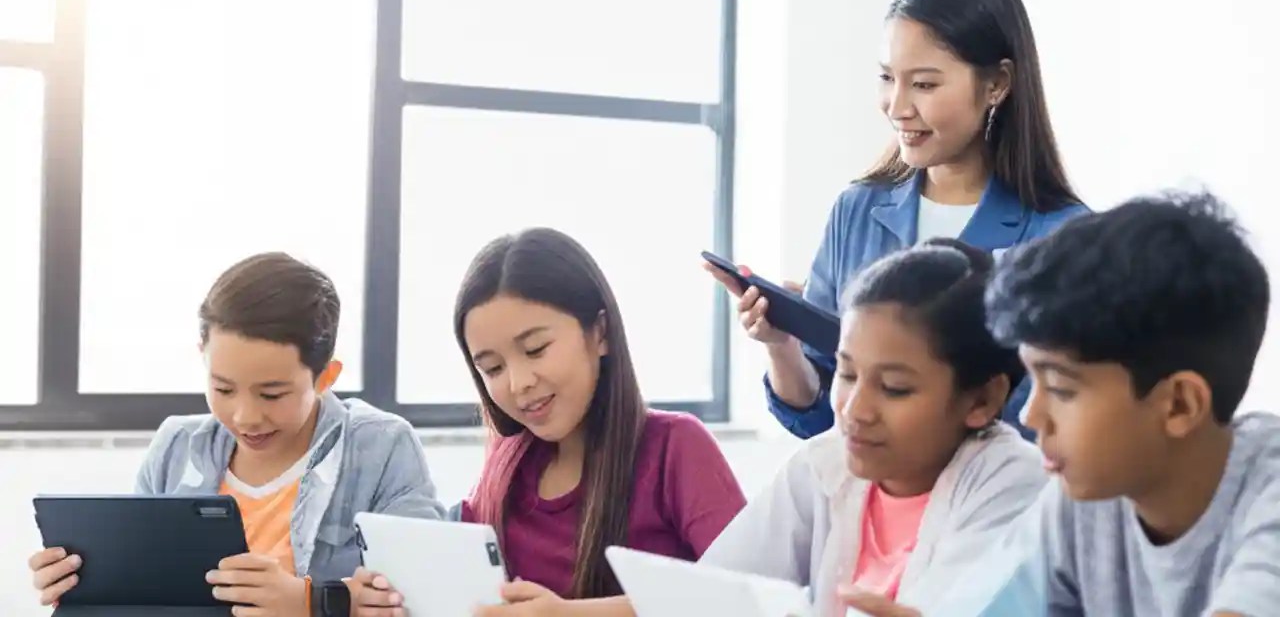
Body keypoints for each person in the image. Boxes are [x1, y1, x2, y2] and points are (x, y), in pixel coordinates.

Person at [845, 192, 1280, 617]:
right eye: (1033, 380)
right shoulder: (1082, 499)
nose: (1033, 417)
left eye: (1061, 388)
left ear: (1180, 406)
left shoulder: (1268, 489)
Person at [707, 0, 1086, 441]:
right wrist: (782, 345)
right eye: (888, 78)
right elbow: (822, 421)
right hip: (863, 503)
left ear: (997, 84)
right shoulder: (857, 212)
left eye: (924, 84)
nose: (897, 105)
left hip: (992, 507)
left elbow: (1062, 430)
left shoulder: (1064, 239)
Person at [351, 228, 747, 617]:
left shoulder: (675, 447)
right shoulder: (506, 466)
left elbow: (746, 597)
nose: (518, 383)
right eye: (492, 368)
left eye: (536, 349)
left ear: (600, 333)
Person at [28, 252, 445, 614]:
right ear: (203, 359)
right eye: (223, 388)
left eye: (272, 393)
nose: (245, 417)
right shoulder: (176, 447)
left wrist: (313, 603)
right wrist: (87, 588)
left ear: (325, 377)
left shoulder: (380, 447)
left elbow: (427, 598)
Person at [700, 239, 1045, 616]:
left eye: (894, 388)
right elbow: (707, 595)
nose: (855, 410)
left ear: (981, 400)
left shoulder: (1012, 483)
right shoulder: (825, 460)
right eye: (847, 373)